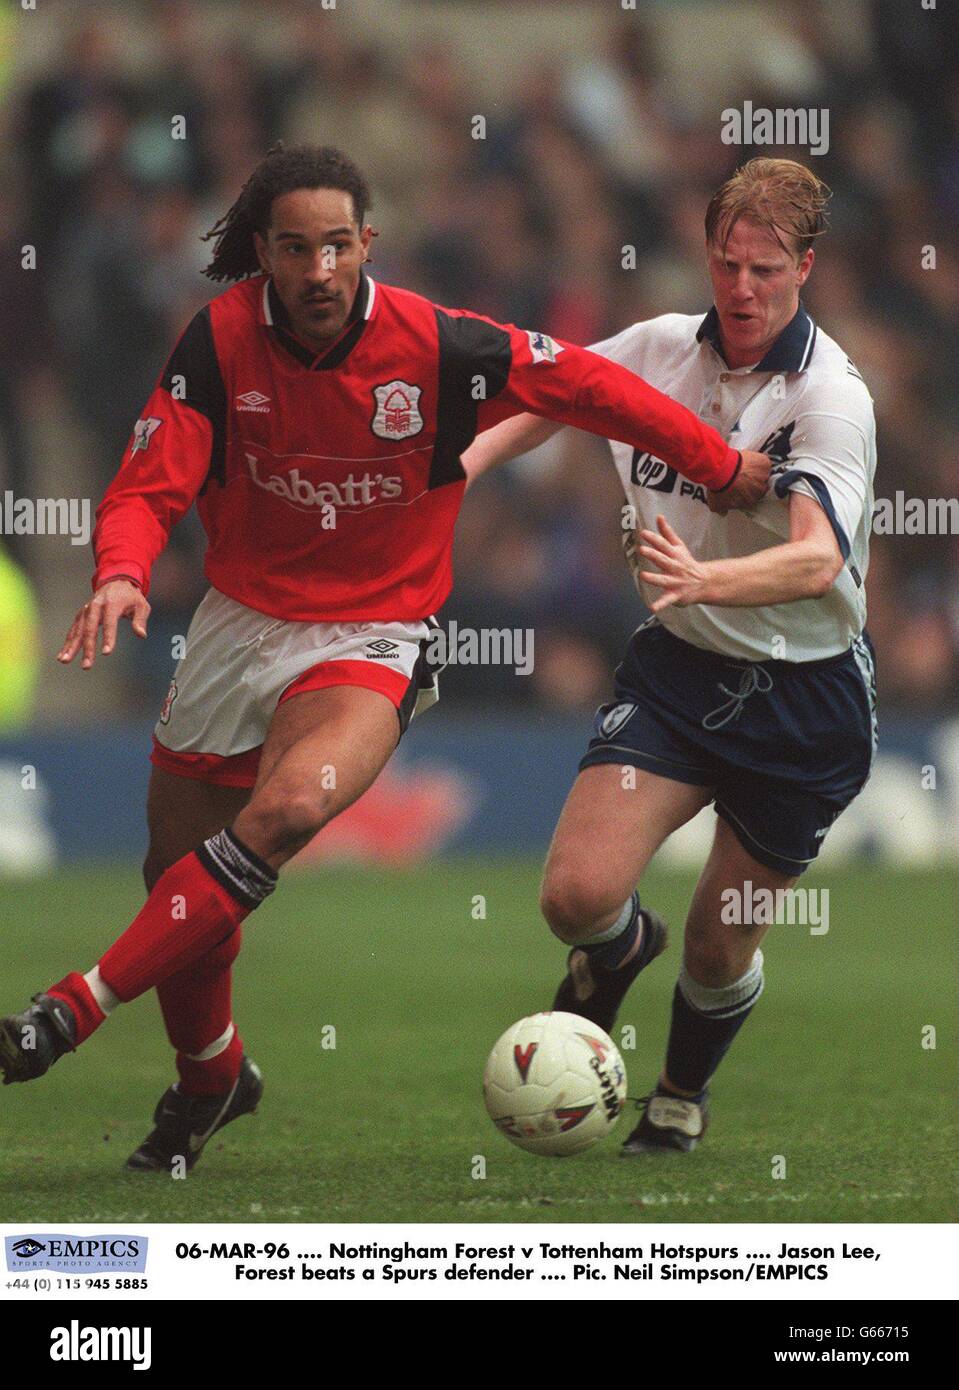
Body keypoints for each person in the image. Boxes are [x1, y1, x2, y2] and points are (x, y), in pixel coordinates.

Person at [0, 144, 769, 1172]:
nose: (317, 269)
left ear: (366, 243)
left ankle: (68, 1009)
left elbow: (586, 384)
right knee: (174, 879)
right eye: (292, 248)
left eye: (334, 245)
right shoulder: (219, 342)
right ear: (262, 256)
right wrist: (122, 569)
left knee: (286, 812)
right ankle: (212, 1079)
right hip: (238, 623)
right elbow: (149, 479)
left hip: (373, 634)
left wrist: (716, 461)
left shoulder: (439, 344)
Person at [461, 157, 877, 1153]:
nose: (740, 287)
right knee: (574, 895)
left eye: (765, 270)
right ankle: (617, 951)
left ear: (803, 268)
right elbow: (551, 392)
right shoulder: (655, 347)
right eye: (726, 262)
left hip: (803, 701)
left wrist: (701, 580)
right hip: (681, 670)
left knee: (718, 940)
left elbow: (817, 558)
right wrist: (464, 464)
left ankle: (679, 1094)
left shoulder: (829, 398)